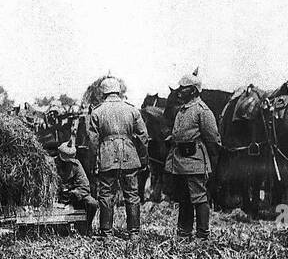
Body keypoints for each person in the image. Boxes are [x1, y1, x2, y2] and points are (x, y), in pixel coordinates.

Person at [87, 76, 149, 239]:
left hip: (107, 157)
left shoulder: (97, 111)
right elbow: (143, 137)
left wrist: (94, 162)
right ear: (118, 91)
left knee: (106, 195)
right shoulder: (132, 110)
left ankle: (106, 233)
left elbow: (93, 141)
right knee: (132, 195)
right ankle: (134, 232)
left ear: (103, 93)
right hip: (130, 156)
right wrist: (143, 158)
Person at [163, 72, 222, 239]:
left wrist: (211, 161)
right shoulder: (182, 110)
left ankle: (202, 235)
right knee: (184, 199)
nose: (179, 91)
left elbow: (213, 138)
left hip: (195, 161)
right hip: (179, 162)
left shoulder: (203, 111)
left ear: (194, 91)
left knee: (199, 197)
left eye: (184, 88)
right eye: (180, 88)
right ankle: (183, 233)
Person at [54, 143, 98, 233]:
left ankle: (84, 229)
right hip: (57, 198)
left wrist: (74, 193)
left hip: (73, 198)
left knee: (92, 203)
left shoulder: (76, 166)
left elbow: (85, 187)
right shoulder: (52, 164)